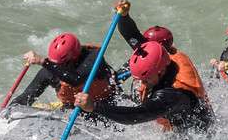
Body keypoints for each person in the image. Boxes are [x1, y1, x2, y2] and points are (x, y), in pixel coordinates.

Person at [76, 41, 212, 134]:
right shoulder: (166, 57)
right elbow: (141, 43)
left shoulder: (170, 96)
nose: (141, 83)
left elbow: (136, 115)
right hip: (179, 117)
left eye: (145, 78)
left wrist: (95, 107)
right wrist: (124, 18)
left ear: (161, 71)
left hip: (196, 137)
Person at [13, 32, 114, 108]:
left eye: (61, 63)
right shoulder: (49, 71)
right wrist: (10, 110)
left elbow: (76, 79)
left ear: (74, 58)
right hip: (72, 109)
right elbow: (26, 97)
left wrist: (43, 61)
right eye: (55, 63)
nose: (57, 66)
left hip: (105, 105)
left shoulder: (94, 58)